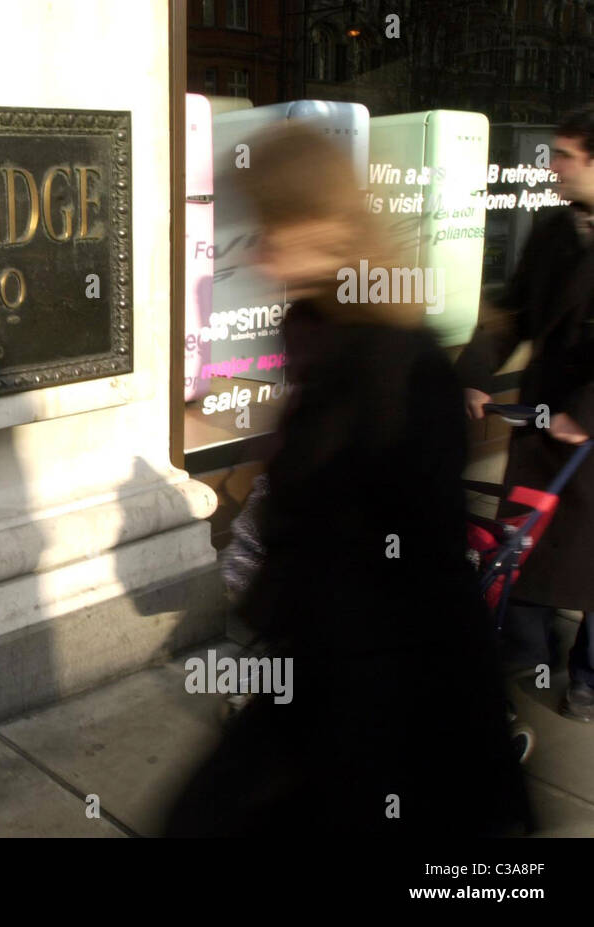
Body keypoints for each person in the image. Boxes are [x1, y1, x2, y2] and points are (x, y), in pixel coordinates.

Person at [163, 122, 530, 836]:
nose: (261, 253)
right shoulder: (321, 337)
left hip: (384, 696)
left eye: (274, 228)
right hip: (325, 675)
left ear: (325, 225)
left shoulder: (397, 366)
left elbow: (414, 567)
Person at [457, 104, 594, 722]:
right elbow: (512, 312)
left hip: (587, 427)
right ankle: (528, 650)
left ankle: (589, 678)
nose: (553, 164)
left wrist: (586, 413)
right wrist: (476, 375)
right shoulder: (552, 228)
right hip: (541, 422)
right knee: (526, 541)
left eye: (565, 154)